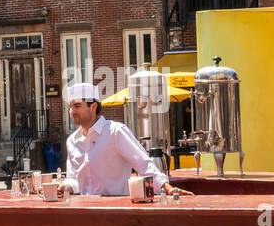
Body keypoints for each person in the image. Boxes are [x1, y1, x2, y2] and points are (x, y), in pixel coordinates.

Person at [61, 83, 192, 197]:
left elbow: (144, 165)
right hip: (83, 210)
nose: (72, 111)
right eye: (70, 106)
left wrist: (168, 189)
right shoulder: (72, 140)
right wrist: (66, 187)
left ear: (93, 107)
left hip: (115, 211)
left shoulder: (115, 131)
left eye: (77, 105)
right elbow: (73, 178)